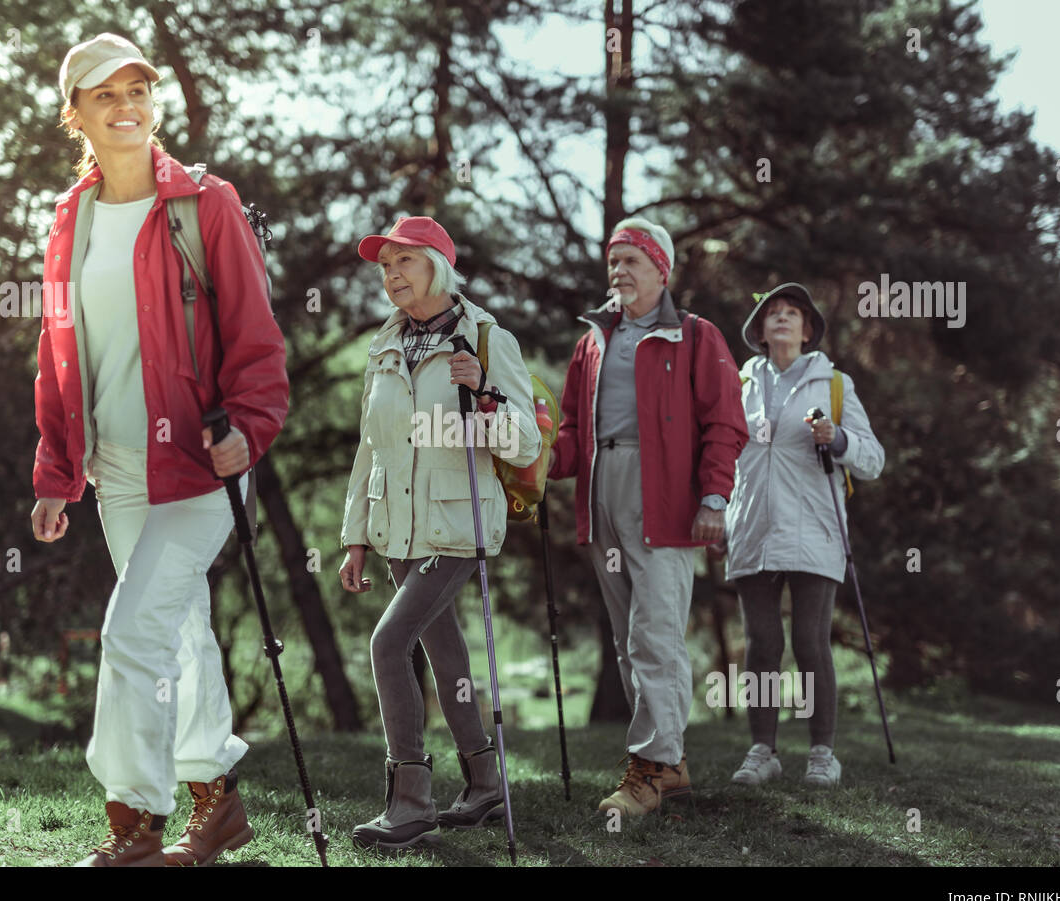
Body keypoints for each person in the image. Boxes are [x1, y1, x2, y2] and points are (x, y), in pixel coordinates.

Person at [30, 34, 288, 866]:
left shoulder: (204, 205)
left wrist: (248, 432)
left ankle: (132, 823)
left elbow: (256, 339)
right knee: (179, 635)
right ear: (75, 115)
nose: (126, 105)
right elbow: (59, 351)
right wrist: (56, 472)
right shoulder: (70, 220)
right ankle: (219, 806)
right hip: (118, 469)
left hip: (200, 468)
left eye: (138, 88)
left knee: (133, 632)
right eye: (104, 95)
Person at [338, 216, 541, 850]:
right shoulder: (385, 344)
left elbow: (524, 439)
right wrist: (356, 535)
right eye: (384, 267)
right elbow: (371, 446)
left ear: (437, 265)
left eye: (404, 262)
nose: (391, 275)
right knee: (444, 654)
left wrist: (483, 393)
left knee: (388, 644)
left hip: (459, 524)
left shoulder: (485, 337)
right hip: (397, 525)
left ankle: (411, 799)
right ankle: (485, 784)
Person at [548, 217, 749, 816]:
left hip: (665, 497)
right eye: (613, 261)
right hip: (601, 486)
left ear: (661, 269)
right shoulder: (591, 343)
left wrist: (715, 499)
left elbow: (725, 423)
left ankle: (655, 766)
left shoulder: (695, 335)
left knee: (655, 633)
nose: (619, 272)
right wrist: (532, 461)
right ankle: (666, 763)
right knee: (624, 637)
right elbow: (569, 434)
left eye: (631, 260)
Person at [711, 282, 884, 787]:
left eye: (793, 313)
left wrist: (839, 437)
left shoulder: (833, 384)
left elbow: (873, 459)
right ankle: (762, 751)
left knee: (811, 642)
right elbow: (723, 451)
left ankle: (822, 754)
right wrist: (717, 509)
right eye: (773, 313)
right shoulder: (737, 384)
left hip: (815, 528)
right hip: (752, 528)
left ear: (807, 330)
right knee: (762, 644)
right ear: (760, 330)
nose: (782, 319)